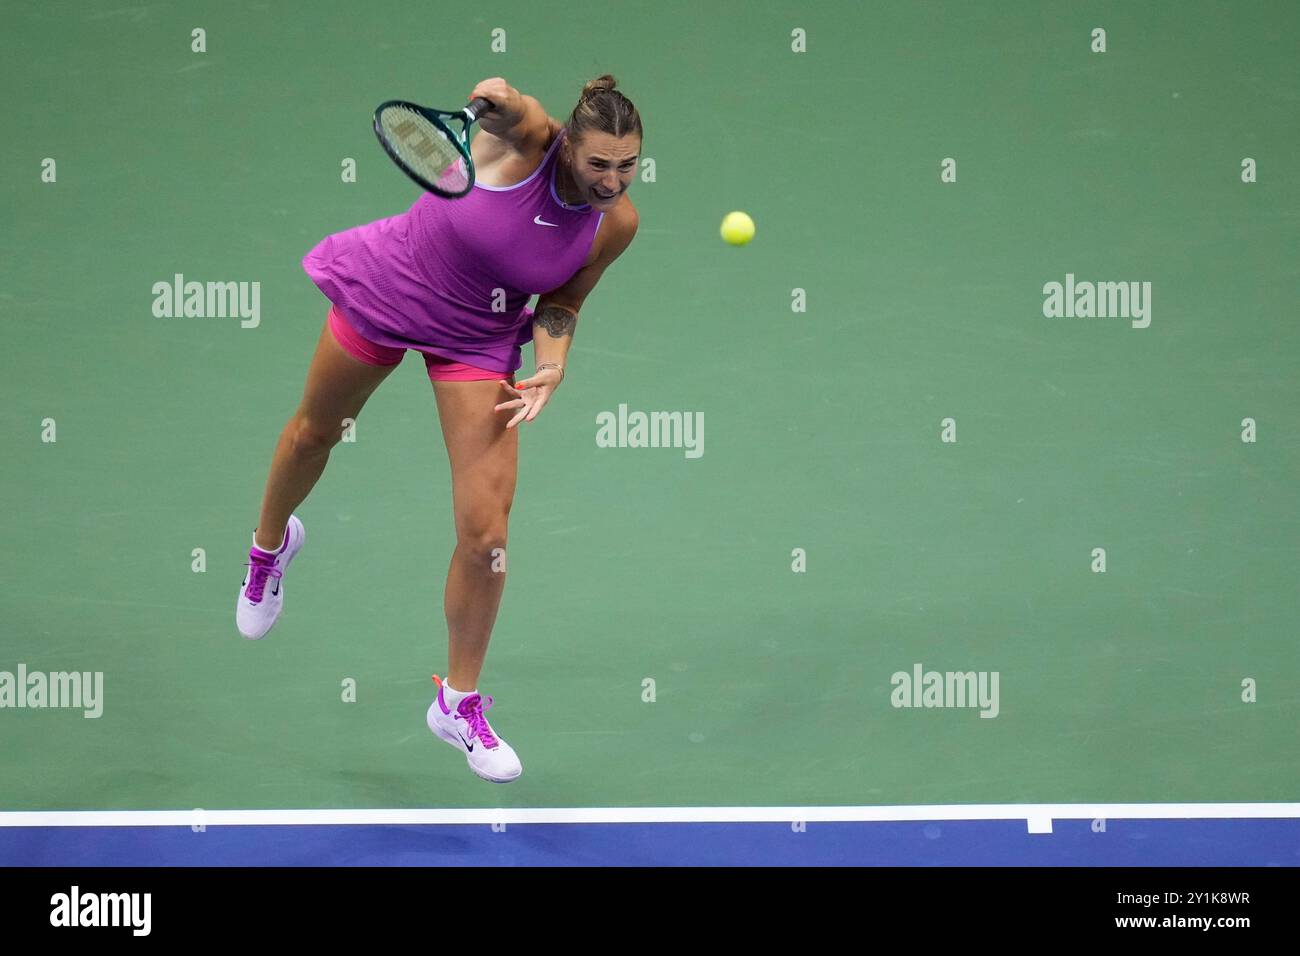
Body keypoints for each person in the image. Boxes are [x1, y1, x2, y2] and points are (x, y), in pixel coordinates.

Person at [235, 75, 642, 783]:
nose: (611, 180)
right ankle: (270, 548)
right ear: (570, 146)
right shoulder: (533, 139)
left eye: (626, 166)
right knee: (314, 434)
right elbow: (514, 109)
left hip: (479, 339)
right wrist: (497, 97)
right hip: (394, 283)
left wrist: (552, 363)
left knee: (486, 536)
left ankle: (458, 703)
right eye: (598, 163)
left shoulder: (618, 225)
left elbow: (563, 301)